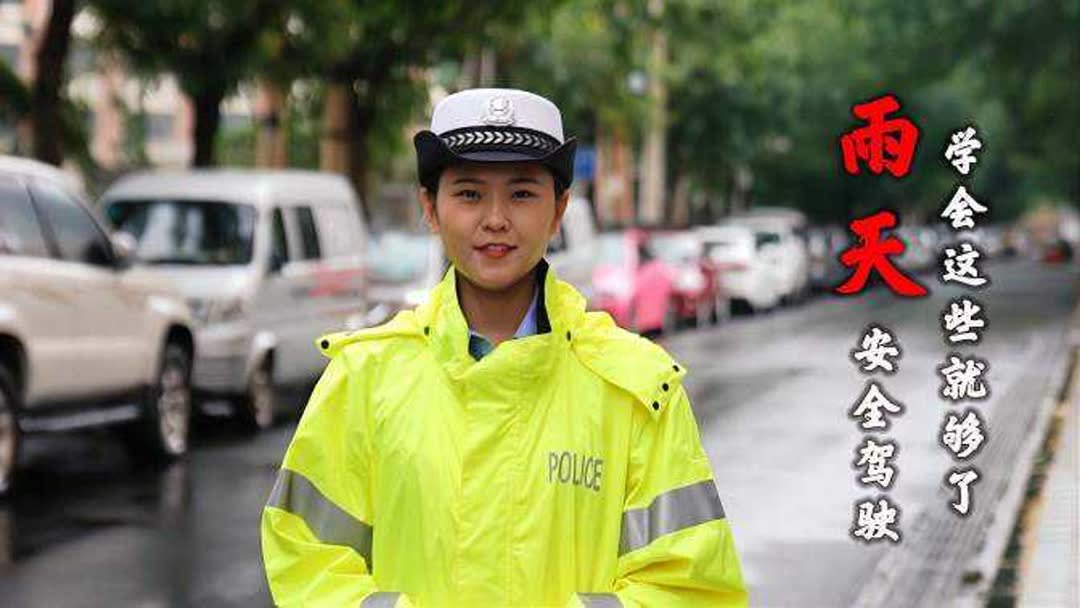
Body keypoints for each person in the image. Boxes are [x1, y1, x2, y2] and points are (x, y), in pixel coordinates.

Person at [261, 88, 748, 607]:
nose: (495, 219)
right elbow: (306, 561)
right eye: (469, 193)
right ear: (430, 207)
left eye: (521, 194)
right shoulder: (365, 376)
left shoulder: (637, 389)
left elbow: (691, 588)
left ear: (558, 209)